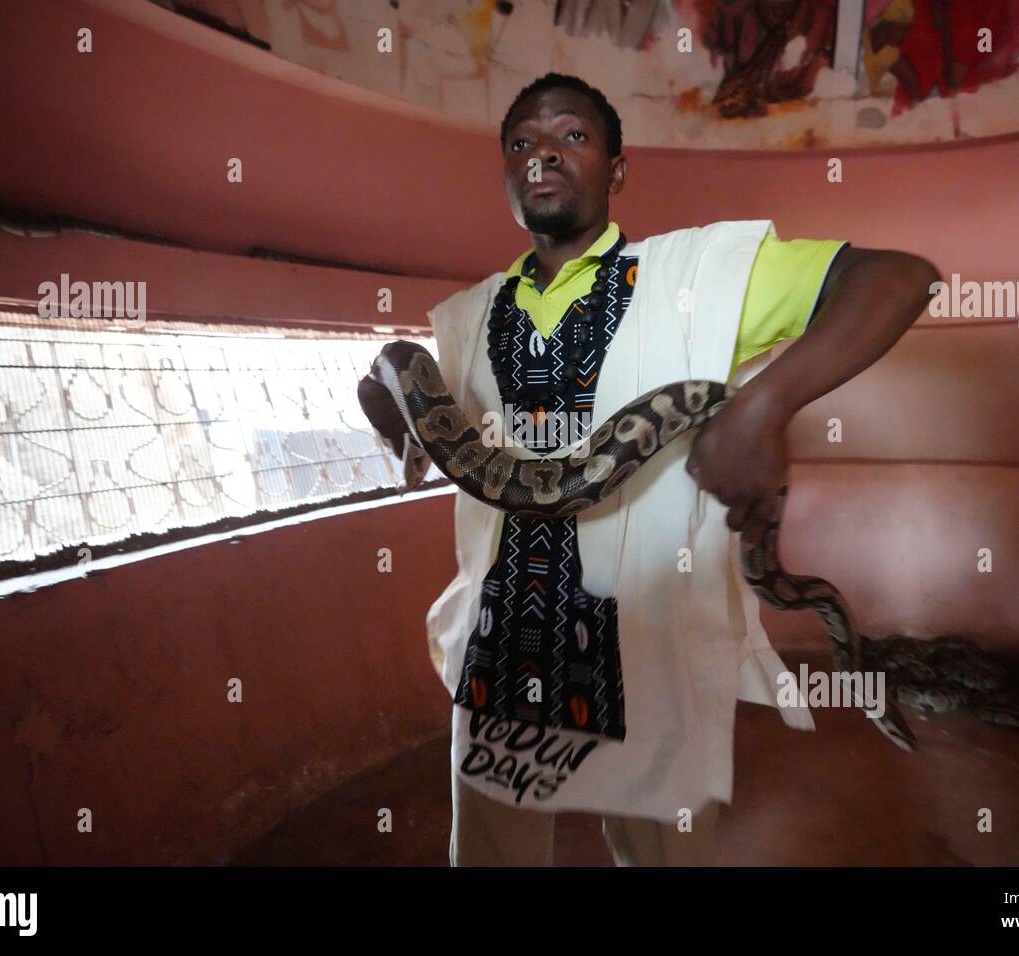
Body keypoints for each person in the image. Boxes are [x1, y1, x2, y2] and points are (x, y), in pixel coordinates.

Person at [358, 72, 937, 866]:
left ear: (617, 169)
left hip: (643, 647)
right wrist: (384, 403)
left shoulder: (699, 274)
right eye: (521, 142)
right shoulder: (468, 316)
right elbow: (413, 414)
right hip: (505, 640)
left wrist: (763, 409)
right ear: (506, 176)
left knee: (660, 855)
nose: (543, 154)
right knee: (492, 853)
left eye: (572, 135)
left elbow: (898, 277)